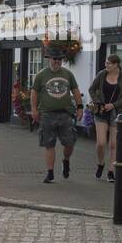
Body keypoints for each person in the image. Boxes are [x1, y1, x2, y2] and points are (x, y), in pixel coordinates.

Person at [31, 48, 83, 184]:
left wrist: (80, 108)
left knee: (70, 142)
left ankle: (66, 160)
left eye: (60, 59)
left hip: (65, 113)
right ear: (49, 60)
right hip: (47, 114)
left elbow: (76, 91)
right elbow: (34, 93)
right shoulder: (41, 75)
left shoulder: (68, 74)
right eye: (55, 59)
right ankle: (50, 173)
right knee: (49, 144)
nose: (57, 62)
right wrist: (34, 110)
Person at [88, 54, 122, 182]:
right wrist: (98, 102)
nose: (106, 65)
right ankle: (101, 163)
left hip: (117, 113)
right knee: (101, 143)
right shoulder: (102, 74)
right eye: (106, 63)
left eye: (109, 64)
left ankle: (111, 171)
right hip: (101, 112)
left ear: (116, 65)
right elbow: (91, 89)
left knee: (114, 144)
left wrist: (113, 105)